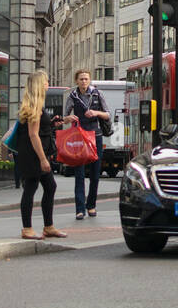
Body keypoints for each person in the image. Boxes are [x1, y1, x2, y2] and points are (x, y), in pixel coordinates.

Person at [16, 70, 69, 241]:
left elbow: (40, 130)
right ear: (39, 84)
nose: (48, 84)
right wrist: (43, 159)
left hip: (36, 154)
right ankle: (27, 229)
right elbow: (33, 135)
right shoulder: (34, 107)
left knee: (50, 186)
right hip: (33, 156)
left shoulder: (37, 105)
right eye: (46, 81)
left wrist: (53, 123)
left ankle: (48, 227)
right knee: (30, 188)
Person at [64, 69, 110, 220]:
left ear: (89, 80)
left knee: (95, 174)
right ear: (76, 81)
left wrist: (96, 113)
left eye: (86, 79)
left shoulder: (97, 94)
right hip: (79, 138)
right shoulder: (73, 96)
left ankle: (91, 205)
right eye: (81, 79)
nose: (84, 81)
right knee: (79, 174)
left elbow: (107, 114)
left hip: (95, 136)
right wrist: (69, 118)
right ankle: (79, 209)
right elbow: (64, 117)